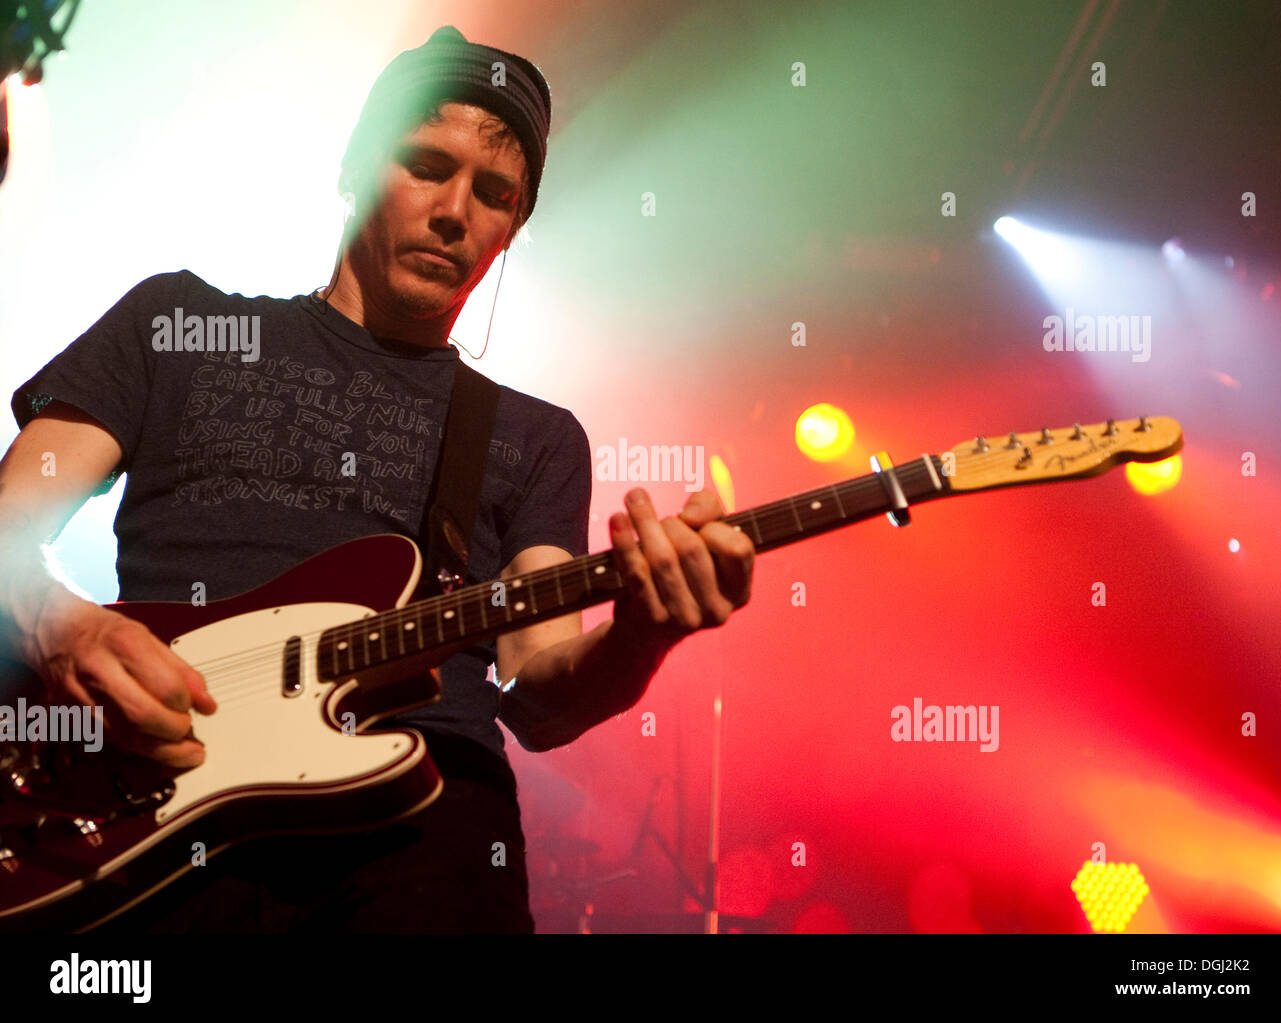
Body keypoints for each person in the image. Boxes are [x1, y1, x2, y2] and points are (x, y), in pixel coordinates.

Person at [0, 26, 755, 932]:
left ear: (513, 225)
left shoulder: (535, 436)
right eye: (426, 165)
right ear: (356, 165)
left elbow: (539, 688)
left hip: (426, 828)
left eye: (493, 193)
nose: (455, 212)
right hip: (155, 792)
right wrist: (52, 621)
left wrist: (640, 634)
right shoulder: (177, 323)